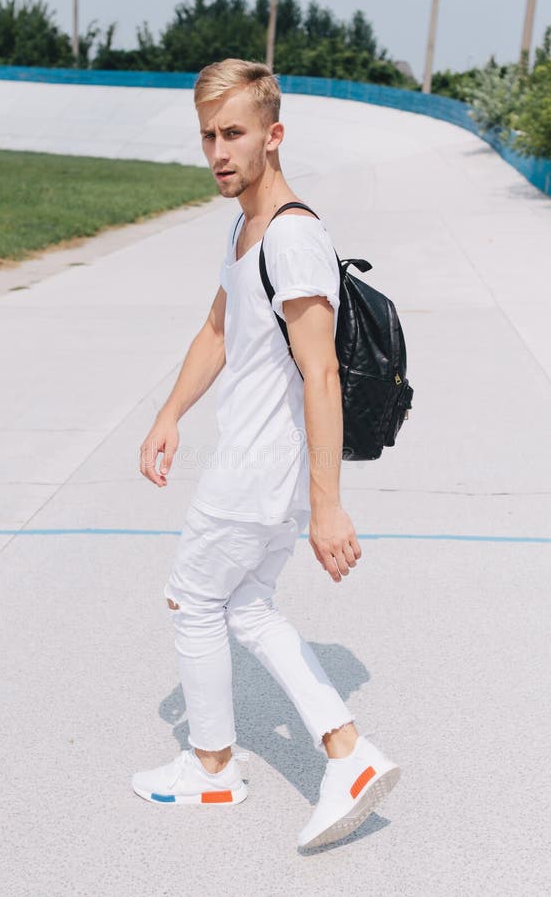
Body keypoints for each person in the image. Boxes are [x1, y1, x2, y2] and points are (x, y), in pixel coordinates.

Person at [132, 58, 400, 850]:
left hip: (260, 470)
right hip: (255, 466)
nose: (218, 149)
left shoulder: (292, 237)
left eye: (235, 133)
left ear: (273, 135)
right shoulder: (245, 227)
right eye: (209, 134)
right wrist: (170, 412)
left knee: (192, 600)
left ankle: (214, 769)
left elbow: (322, 373)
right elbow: (219, 329)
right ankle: (347, 753)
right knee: (245, 606)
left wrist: (328, 506)